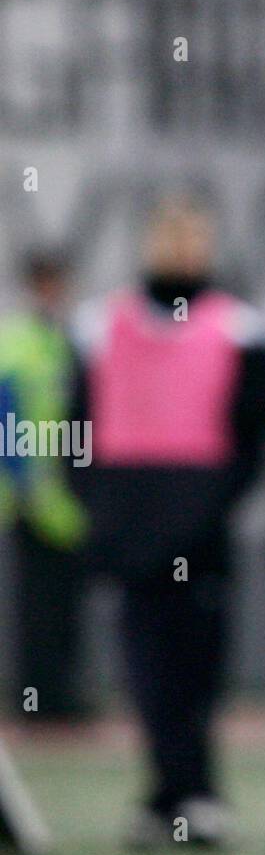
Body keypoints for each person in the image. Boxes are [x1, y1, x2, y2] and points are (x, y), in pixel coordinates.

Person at [73, 196, 265, 850]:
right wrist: (97, 506)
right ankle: (168, 795)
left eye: (191, 236)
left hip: (199, 532)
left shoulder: (238, 329)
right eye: (168, 235)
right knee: (144, 669)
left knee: (197, 665)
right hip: (129, 525)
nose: (178, 249)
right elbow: (75, 427)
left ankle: (194, 793)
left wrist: (212, 508)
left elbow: (253, 435)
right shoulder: (98, 326)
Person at [0, 252, 90, 720]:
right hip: (31, 497)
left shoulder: (65, 340)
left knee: (66, 605)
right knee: (36, 607)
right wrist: (21, 482)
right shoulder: (16, 341)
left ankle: (62, 696)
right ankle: (38, 700)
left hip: (69, 499)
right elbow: (6, 414)